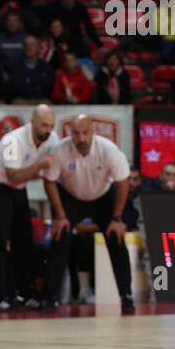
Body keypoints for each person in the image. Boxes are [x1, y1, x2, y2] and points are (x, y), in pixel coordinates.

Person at [39, 115, 135, 314]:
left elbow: (123, 182)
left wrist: (117, 218)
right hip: (71, 197)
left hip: (104, 196)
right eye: (76, 133)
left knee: (116, 239)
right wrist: (59, 215)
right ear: (70, 133)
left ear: (93, 132)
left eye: (85, 133)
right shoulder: (59, 151)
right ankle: (51, 298)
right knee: (59, 237)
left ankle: (126, 296)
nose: (81, 138)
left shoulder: (108, 150)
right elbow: (49, 181)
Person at [0, 104, 58, 309]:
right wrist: (40, 166)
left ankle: (23, 293)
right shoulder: (13, 141)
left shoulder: (52, 139)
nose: (47, 130)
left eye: (51, 126)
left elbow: (49, 172)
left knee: (23, 241)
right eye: (43, 125)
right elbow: (13, 177)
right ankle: (1, 296)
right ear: (32, 122)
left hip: (17, 188)